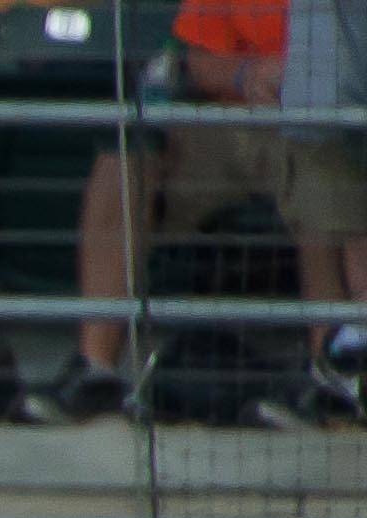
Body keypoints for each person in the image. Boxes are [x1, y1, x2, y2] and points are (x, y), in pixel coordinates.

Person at [25, 0, 367, 430]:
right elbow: (198, 57)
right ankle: (97, 371)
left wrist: (314, 83)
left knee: (319, 155)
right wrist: (249, 74)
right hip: (237, 119)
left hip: (330, 127)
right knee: (127, 156)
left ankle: (331, 380)